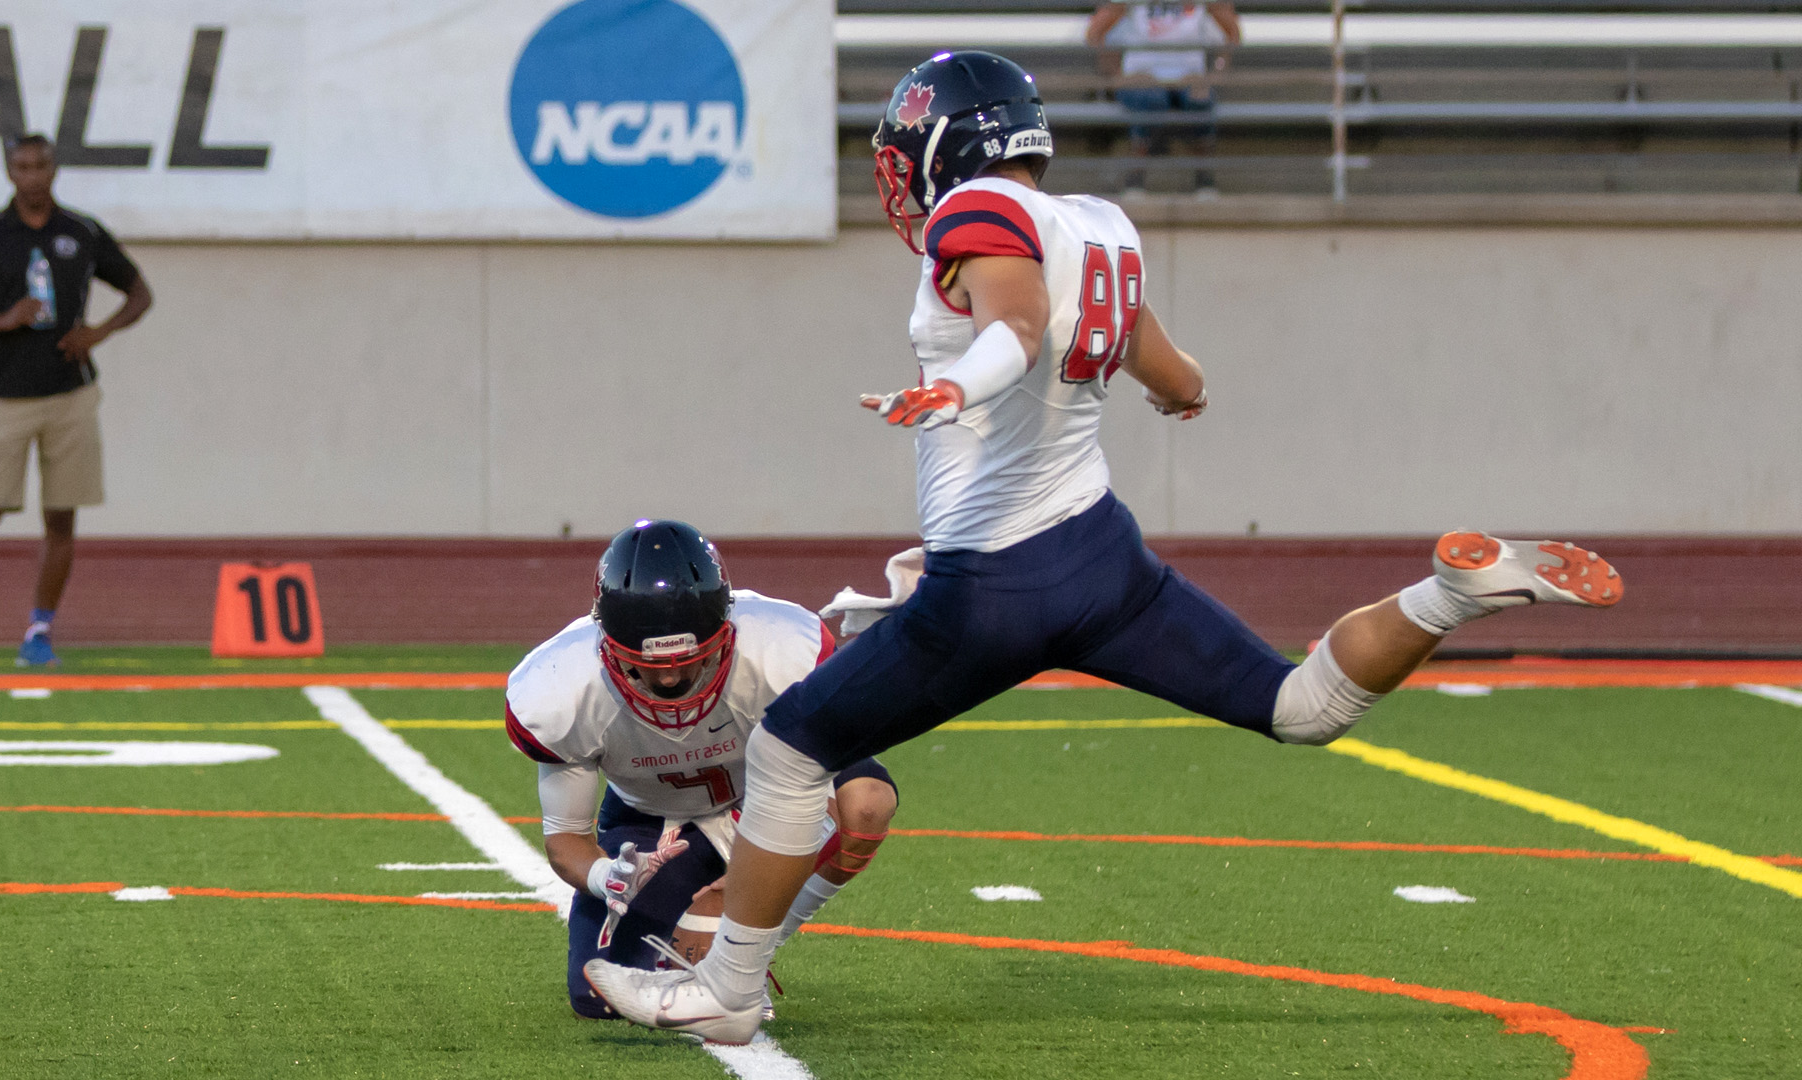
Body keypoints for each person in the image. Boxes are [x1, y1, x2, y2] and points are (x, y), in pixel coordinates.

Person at [585, 51, 1623, 1043]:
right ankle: (1449, 594)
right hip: (1104, 561)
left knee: (789, 747)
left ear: (955, 143)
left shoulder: (977, 207)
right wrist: (1175, 395)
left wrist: (964, 382)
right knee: (1295, 707)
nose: (902, 175)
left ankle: (727, 988)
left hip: (994, 582)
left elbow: (1019, 325)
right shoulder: (1102, 223)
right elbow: (1178, 375)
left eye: (910, 149)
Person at [506, 519, 899, 1019]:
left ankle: (751, 955)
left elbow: (823, 790)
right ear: (608, 642)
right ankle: (699, 927)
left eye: (688, 660)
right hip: (657, 822)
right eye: (646, 664)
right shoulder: (562, 688)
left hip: (772, 795)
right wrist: (609, 875)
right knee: (599, 997)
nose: (669, 677)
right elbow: (566, 840)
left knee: (865, 803)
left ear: (723, 632)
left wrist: (737, 893)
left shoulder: (781, 650)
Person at [0, 134, 153, 668]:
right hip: (7, 396)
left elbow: (140, 292)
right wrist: (1, 320)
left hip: (71, 394)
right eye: (22, 167)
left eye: (41, 166)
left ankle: (39, 631)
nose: (32, 176)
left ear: (54, 169)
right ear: (9, 172)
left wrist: (98, 332)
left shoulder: (80, 232)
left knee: (61, 518)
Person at [1086, 3, 1241, 194]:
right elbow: (1095, 32)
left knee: (1199, 99)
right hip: (1142, 76)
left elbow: (1232, 33)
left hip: (1189, 77)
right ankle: (1135, 178)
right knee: (1151, 99)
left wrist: (1213, 78)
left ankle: (1204, 178)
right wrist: (1118, 77)